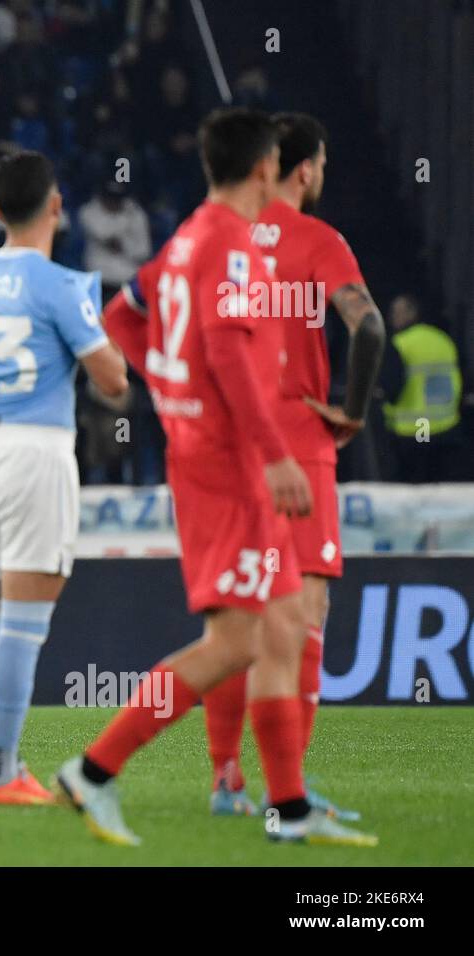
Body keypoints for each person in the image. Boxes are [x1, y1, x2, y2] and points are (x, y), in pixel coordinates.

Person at [56, 108, 377, 847]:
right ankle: (94, 771)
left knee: (285, 624)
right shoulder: (230, 245)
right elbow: (229, 356)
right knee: (236, 641)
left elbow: (122, 315)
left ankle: (288, 807)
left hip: (211, 452)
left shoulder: (187, 239)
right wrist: (272, 452)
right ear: (267, 169)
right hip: (231, 465)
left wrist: (169, 394)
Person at [0, 150, 127, 805]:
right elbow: (114, 381)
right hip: (38, 453)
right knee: (24, 626)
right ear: (57, 206)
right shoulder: (61, 285)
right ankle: (1, 773)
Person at [203, 112, 384, 819]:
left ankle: (226, 779)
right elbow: (367, 324)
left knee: (240, 618)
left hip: (230, 444)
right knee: (305, 611)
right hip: (302, 446)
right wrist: (355, 409)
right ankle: (292, 792)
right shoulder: (319, 241)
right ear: (304, 169)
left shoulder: (225, 239)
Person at [380, 294, 464, 481]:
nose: (393, 316)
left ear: (413, 312)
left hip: (419, 428)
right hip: (447, 425)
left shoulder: (400, 343)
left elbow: (392, 387)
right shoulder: (442, 339)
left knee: (418, 485)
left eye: (398, 311)